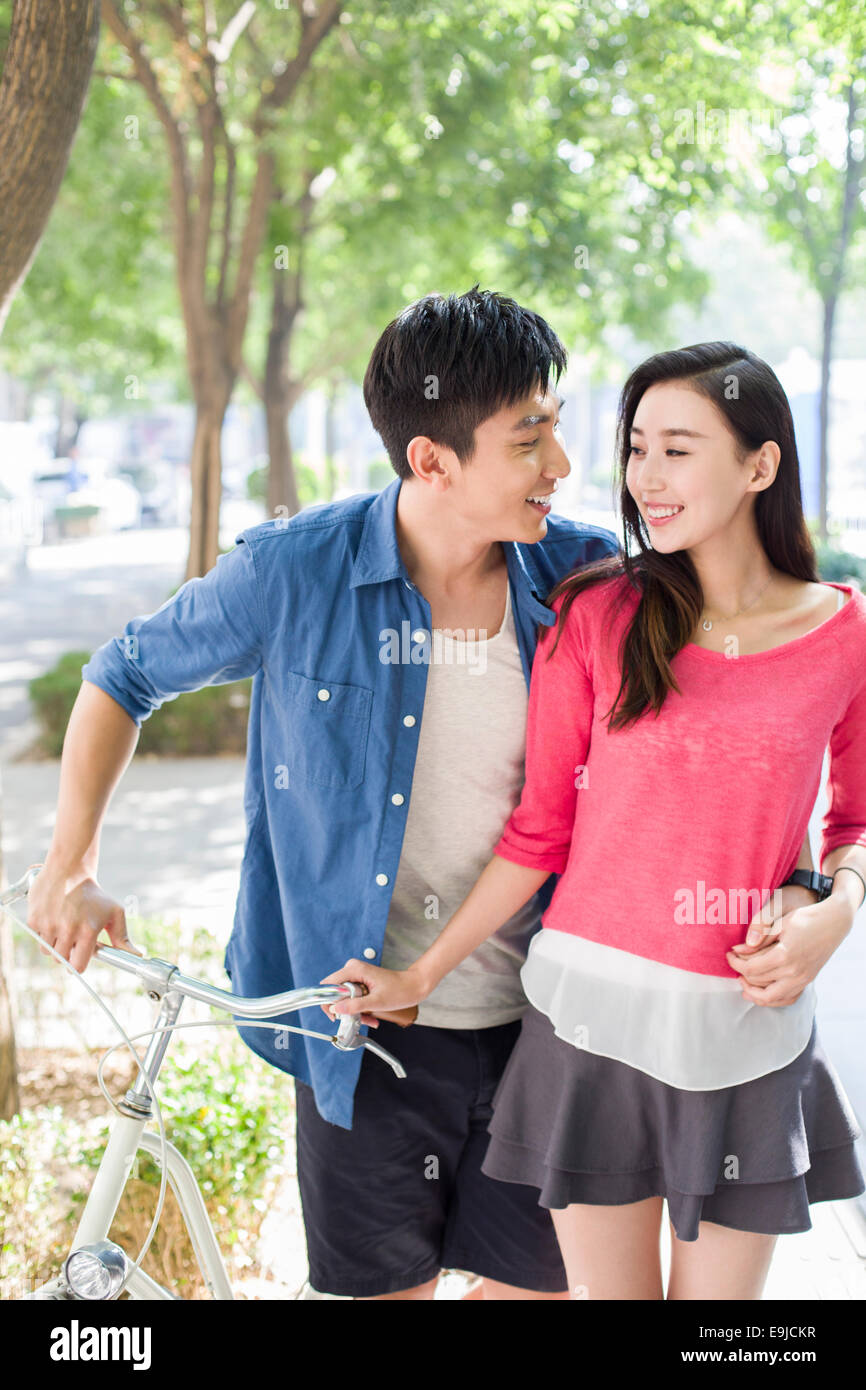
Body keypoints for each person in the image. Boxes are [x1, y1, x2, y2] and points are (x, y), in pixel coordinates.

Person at [28, 287, 628, 1301]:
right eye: (528, 439)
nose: (560, 467)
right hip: (360, 1033)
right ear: (430, 459)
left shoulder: (580, 577)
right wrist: (69, 864)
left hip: (542, 1026)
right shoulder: (296, 572)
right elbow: (122, 674)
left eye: (555, 430)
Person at [322, 340, 866, 1301]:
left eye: (678, 449)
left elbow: (855, 822)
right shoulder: (597, 613)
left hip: (749, 1032)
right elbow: (540, 834)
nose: (645, 477)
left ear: (760, 465)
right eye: (636, 447)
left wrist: (835, 906)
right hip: (589, 1029)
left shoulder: (842, 634)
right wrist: (420, 973)